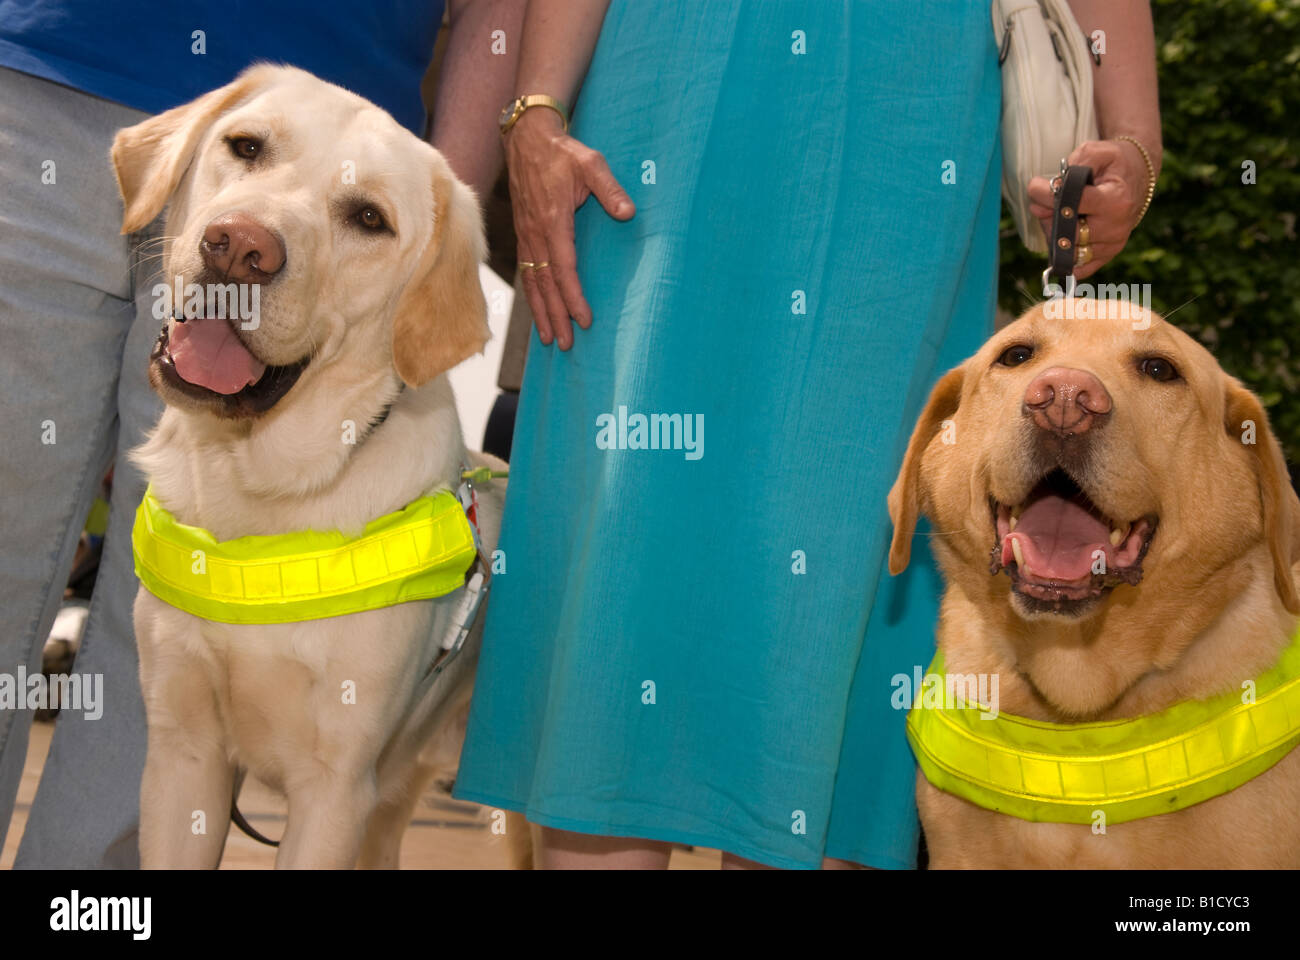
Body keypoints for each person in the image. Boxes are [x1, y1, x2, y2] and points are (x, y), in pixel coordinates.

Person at [453, 0, 1162, 868]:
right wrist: (536, 110)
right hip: (650, 109)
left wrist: (1132, 141)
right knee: (620, 566)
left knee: (829, 570)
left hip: (905, 118)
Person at [0, 0, 524, 868]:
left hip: (358, 87)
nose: (250, 240)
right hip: (42, 77)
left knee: (151, 664)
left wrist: (428, 208)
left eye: (366, 219)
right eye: (248, 152)